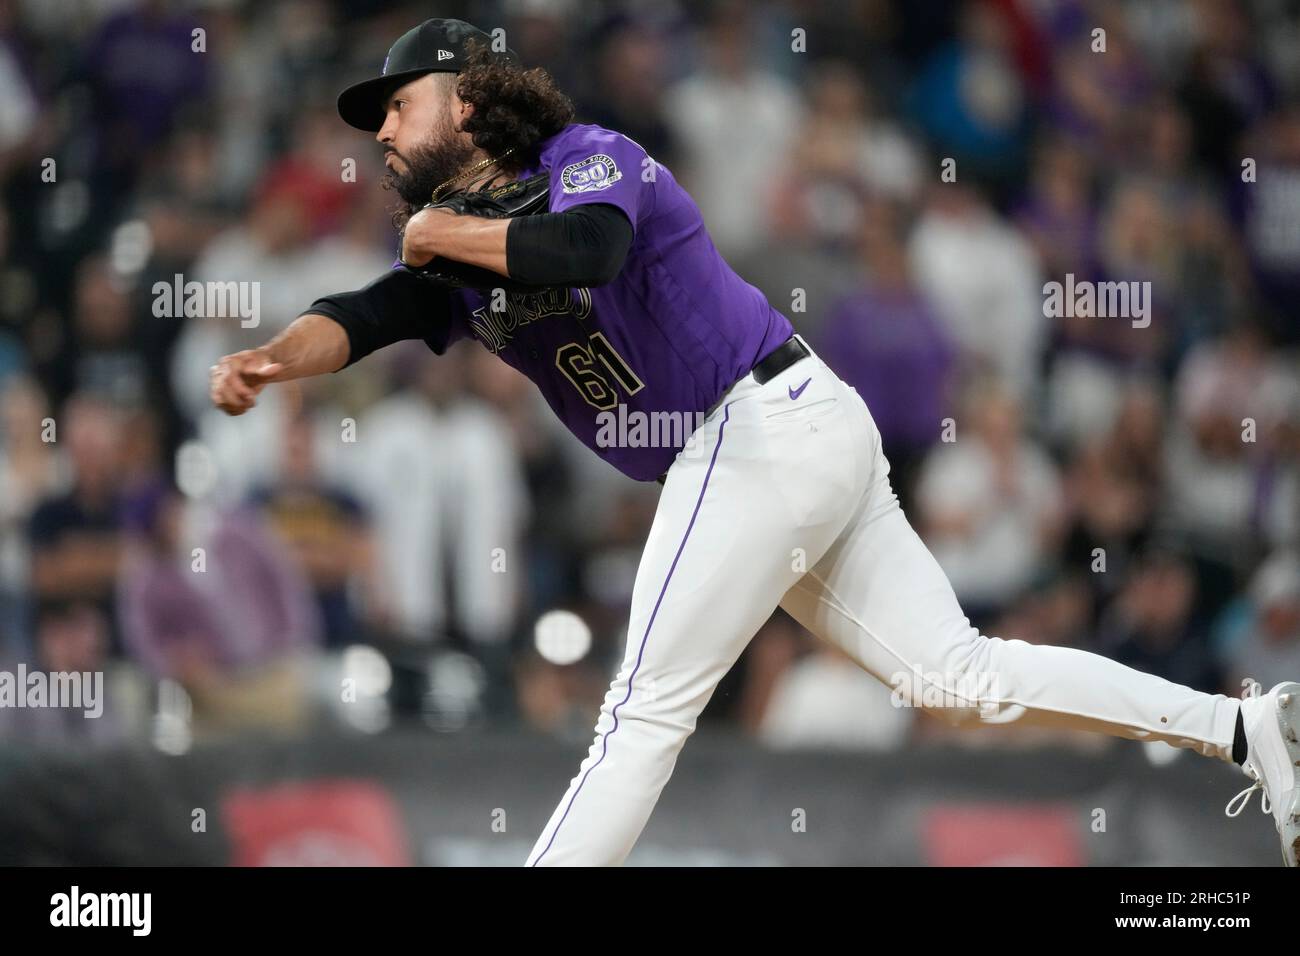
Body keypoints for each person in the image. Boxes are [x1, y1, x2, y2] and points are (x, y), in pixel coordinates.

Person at [208, 18, 1299, 867]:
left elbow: (581, 249)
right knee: (958, 675)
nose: (382, 132)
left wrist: (439, 235)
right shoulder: (450, 255)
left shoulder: (594, 155)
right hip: (780, 443)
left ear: (472, 97)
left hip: (762, 424)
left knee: (639, 713)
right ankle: (1245, 729)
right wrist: (270, 358)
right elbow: (365, 313)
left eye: (398, 104)